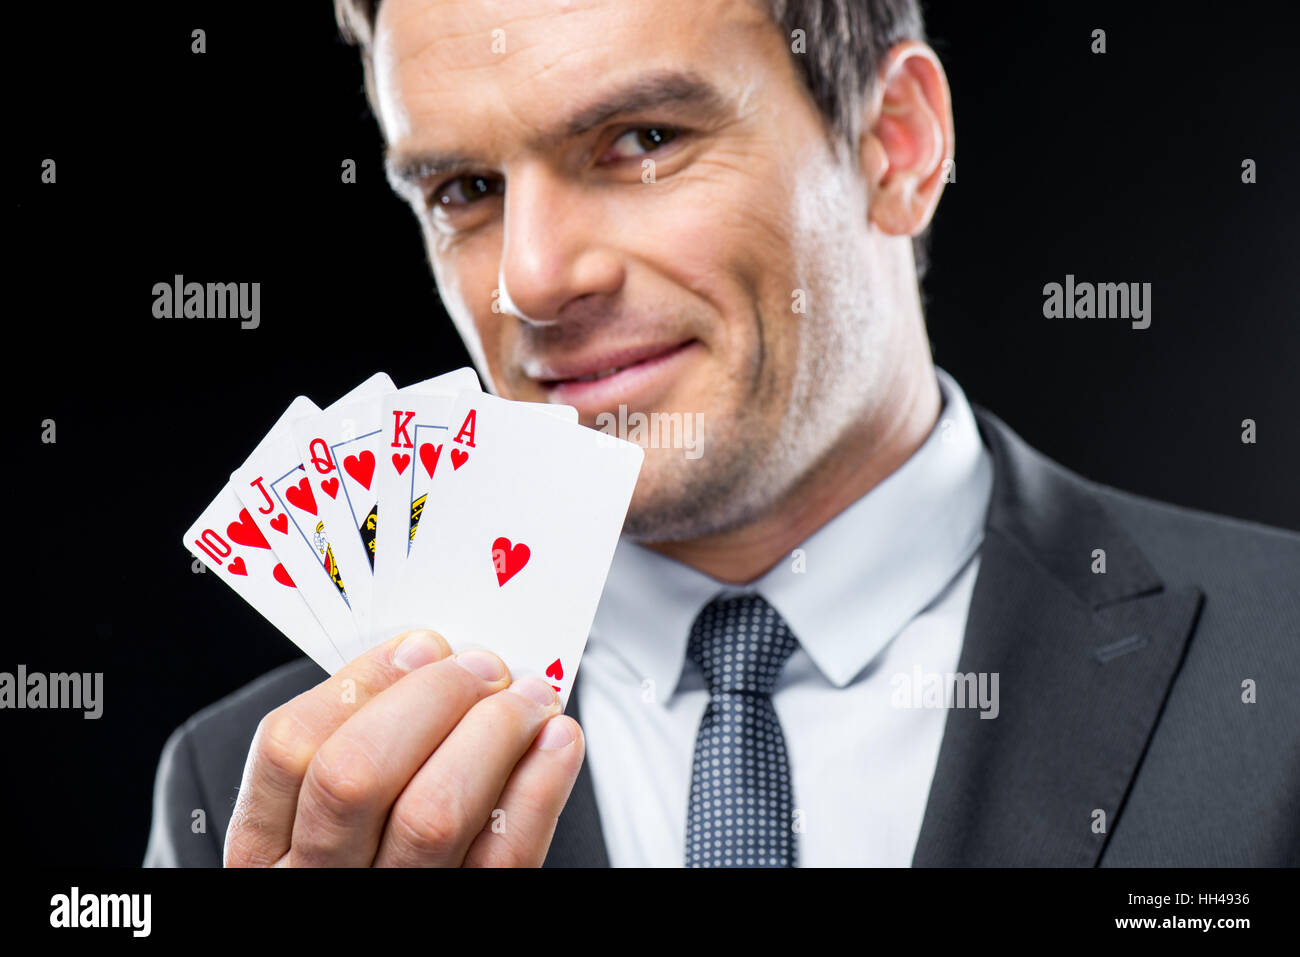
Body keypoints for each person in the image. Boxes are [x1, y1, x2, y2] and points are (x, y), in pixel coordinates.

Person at [146, 0, 1300, 867]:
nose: (534, 282)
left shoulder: (1277, 675)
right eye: (461, 190)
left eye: (641, 139)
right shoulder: (265, 790)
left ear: (895, 145)